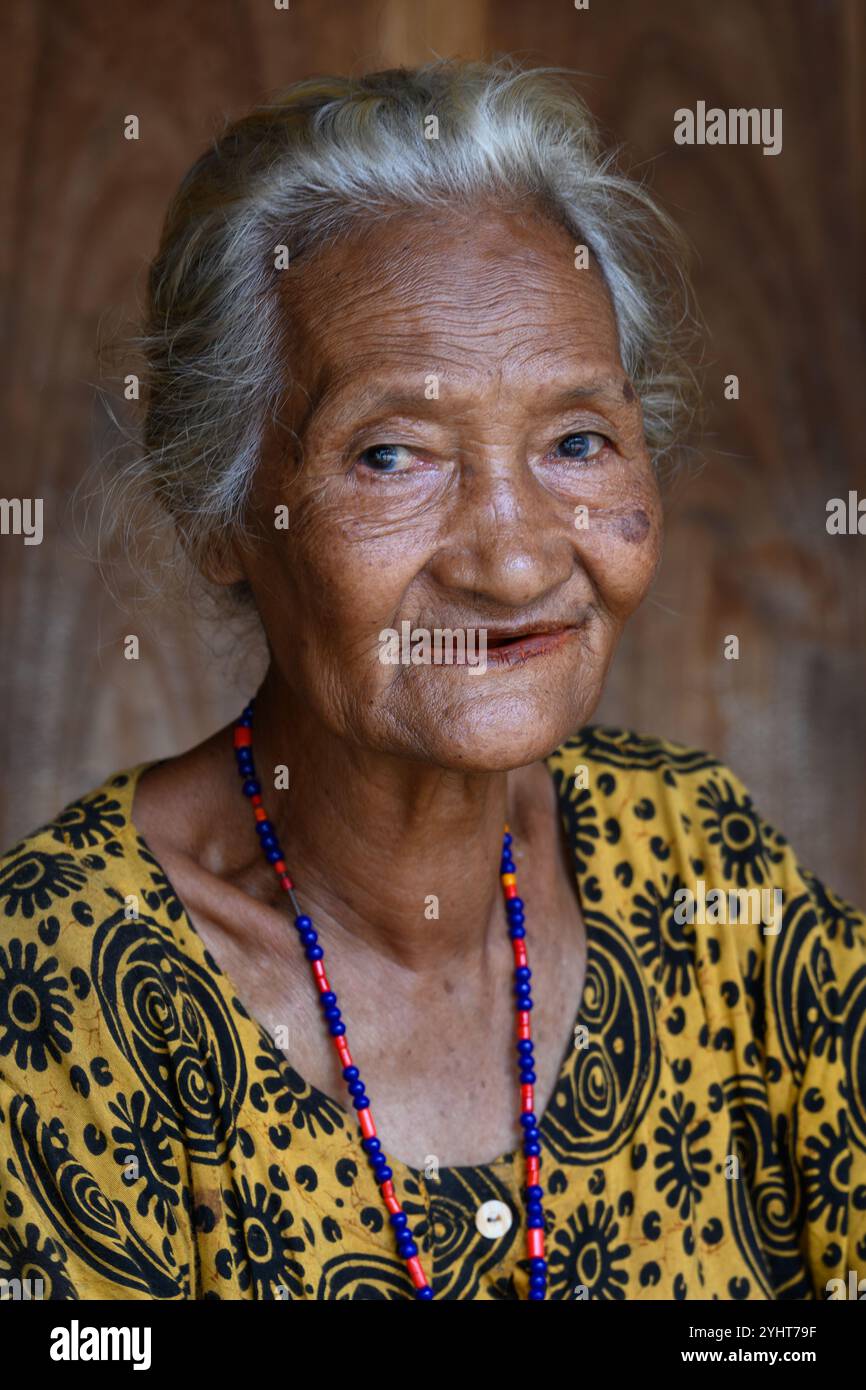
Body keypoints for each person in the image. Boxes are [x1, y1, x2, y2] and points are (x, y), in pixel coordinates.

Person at [1, 60, 863, 1301]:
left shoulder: (700, 864)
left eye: (577, 441)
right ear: (224, 511)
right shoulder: (64, 986)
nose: (514, 560)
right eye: (392, 455)